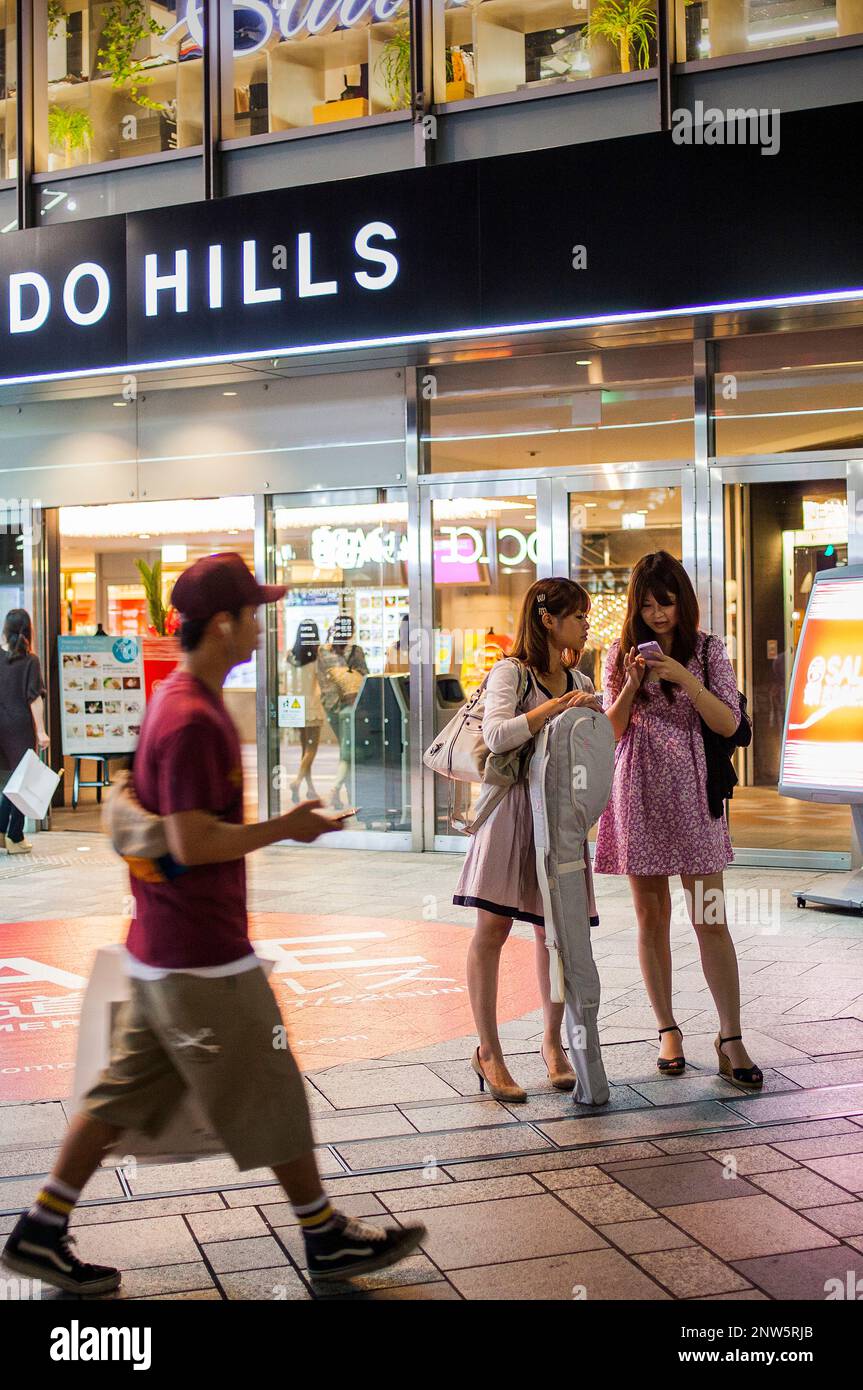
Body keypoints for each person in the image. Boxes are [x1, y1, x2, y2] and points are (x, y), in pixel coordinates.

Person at [2, 554, 424, 1295]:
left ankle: (41, 1229)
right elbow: (194, 841)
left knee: (119, 1094)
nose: (262, 628)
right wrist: (288, 826)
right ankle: (324, 1237)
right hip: (201, 952)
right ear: (223, 623)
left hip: (163, 947)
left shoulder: (174, 699)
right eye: (254, 614)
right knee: (272, 1086)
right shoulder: (194, 718)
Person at [594, 551, 763, 1090]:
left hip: (694, 793)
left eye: (665, 602)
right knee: (651, 917)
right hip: (638, 789)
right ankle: (667, 1029)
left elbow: (730, 721)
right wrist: (630, 683)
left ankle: (730, 1036)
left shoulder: (710, 649)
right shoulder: (619, 653)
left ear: (682, 601)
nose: (657, 614)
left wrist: (683, 679)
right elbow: (611, 731)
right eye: (646, 605)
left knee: (709, 917)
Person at [454, 577, 603, 1102]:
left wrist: (607, 699)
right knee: (491, 929)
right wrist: (558, 707)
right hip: (512, 811)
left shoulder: (577, 675)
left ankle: (553, 1045)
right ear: (547, 619)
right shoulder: (509, 672)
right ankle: (488, 1052)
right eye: (578, 615)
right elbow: (496, 735)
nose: (585, 623)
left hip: (558, 816)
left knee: (554, 933)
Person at [0, 609, 49, 856]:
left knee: (11, 782)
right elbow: (34, 698)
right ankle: (14, 836)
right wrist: (41, 731)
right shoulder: (30, 660)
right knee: (21, 782)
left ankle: (3, 833)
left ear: (5, 630)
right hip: (19, 727)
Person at [317, 614, 368, 808]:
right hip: (349, 707)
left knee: (345, 750)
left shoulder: (323, 651)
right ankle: (337, 790)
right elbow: (364, 676)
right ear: (352, 631)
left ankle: (344, 795)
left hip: (331, 706)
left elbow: (322, 680)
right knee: (348, 753)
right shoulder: (356, 651)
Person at [286, 619, 325, 802]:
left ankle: (310, 789)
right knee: (311, 749)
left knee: (304, 750)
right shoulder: (318, 654)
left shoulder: (290, 655)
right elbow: (323, 681)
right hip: (312, 705)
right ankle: (297, 781)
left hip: (295, 706)